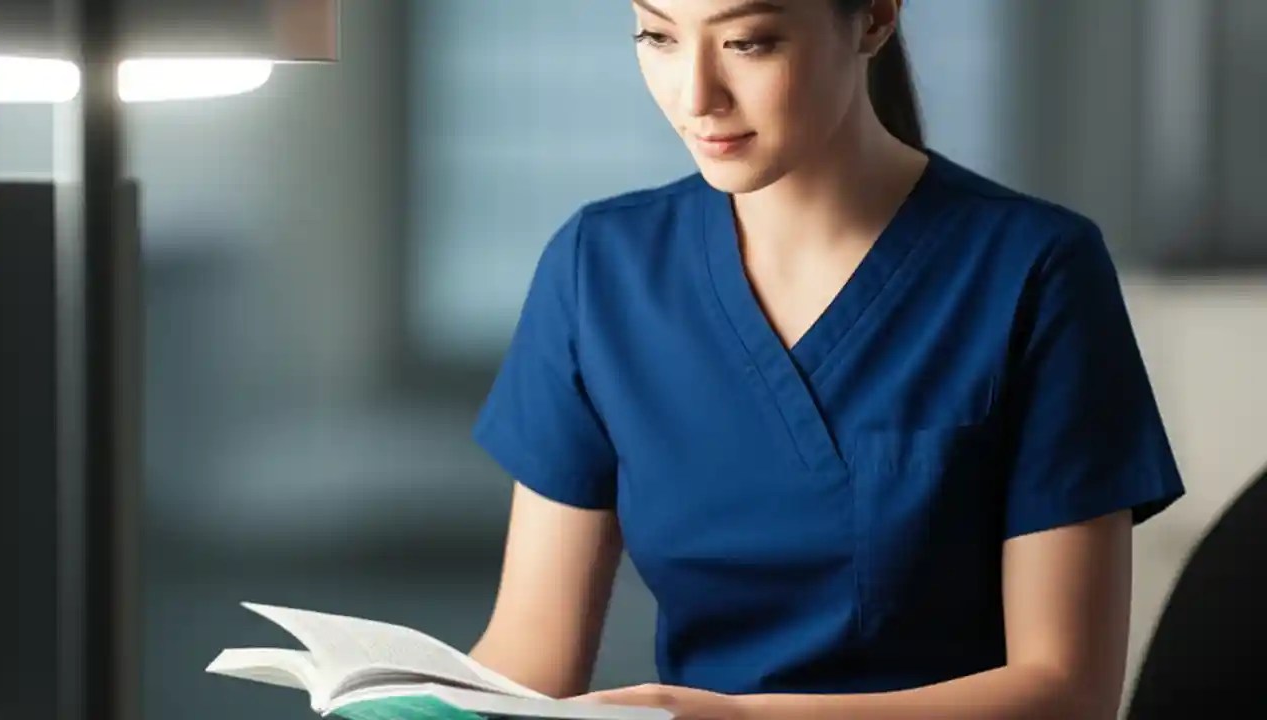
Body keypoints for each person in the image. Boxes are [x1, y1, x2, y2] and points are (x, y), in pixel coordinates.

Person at [467, 0, 1186, 718]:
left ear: (874, 18)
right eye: (658, 36)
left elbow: (1068, 693)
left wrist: (742, 719)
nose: (696, 96)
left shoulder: (1034, 271)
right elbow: (531, 662)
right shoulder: (601, 268)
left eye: (749, 43)